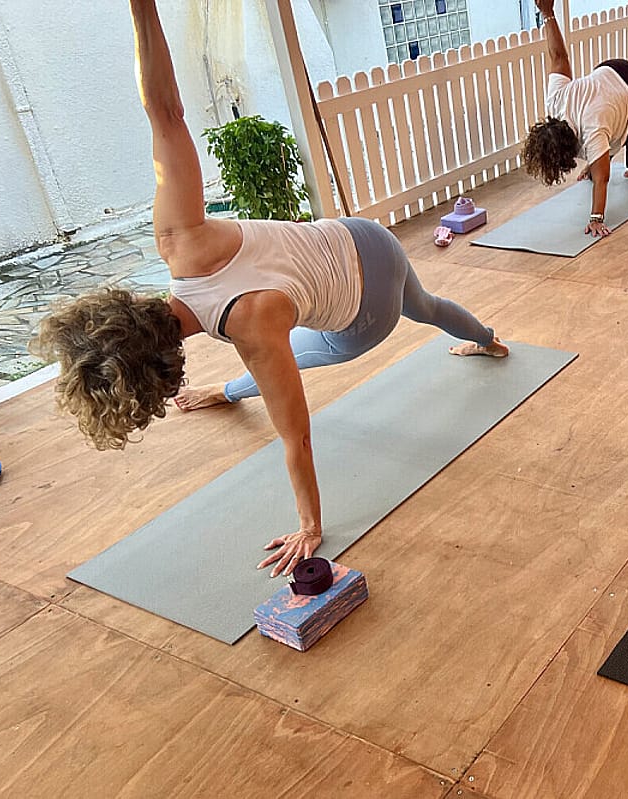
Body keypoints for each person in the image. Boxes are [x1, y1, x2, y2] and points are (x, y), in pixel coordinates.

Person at [31, 0, 509, 578]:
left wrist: (310, 527)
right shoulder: (179, 236)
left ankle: (229, 392)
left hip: (366, 314)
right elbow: (164, 111)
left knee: (310, 354)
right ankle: (487, 340)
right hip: (364, 235)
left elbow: (298, 438)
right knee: (426, 306)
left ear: (165, 368)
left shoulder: (251, 330)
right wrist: (142, 9)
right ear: (121, 305)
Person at [520, 0, 628, 238]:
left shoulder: (592, 129)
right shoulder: (556, 100)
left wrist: (596, 219)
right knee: (607, 129)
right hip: (612, 68)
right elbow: (559, 56)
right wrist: (547, 13)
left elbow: (602, 178)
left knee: (620, 134)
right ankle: (605, 147)